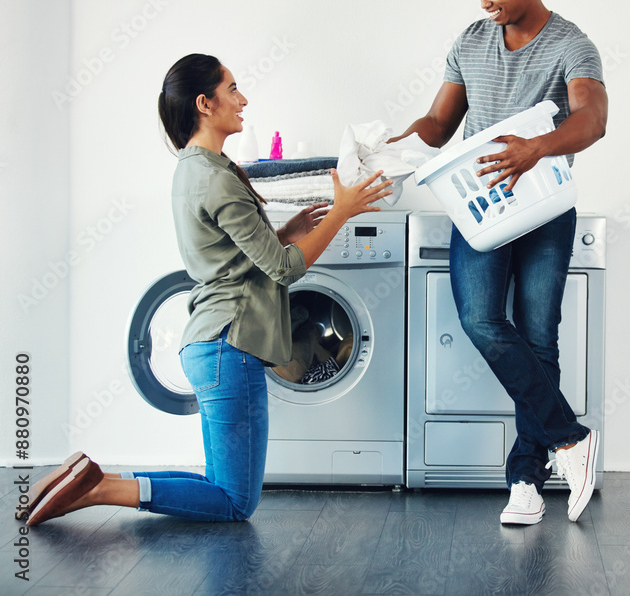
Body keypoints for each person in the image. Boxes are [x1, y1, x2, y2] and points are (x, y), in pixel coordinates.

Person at [21, 53, 391, 526]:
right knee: (236, 502)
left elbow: (237, 260)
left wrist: (285, 232)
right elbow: (283, 270)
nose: (243, 99)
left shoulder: (196, 169)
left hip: (211, 344)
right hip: (230, 348)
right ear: (204, 103)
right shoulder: (218, 178)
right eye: (232, 89)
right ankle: (101, 488)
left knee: (219, 483)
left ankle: (90, 481)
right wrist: (341, 212)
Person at [390, 0, 608, 524]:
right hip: (481, 206)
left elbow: (593, 119)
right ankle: (570, 438)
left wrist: (536, 147)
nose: (484, 3)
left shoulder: (571, 45)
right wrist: (393, 146)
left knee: (539, 338)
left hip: (543, 207)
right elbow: (439, 124)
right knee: (480, 319)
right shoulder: (470, 41)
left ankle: (526, 480)